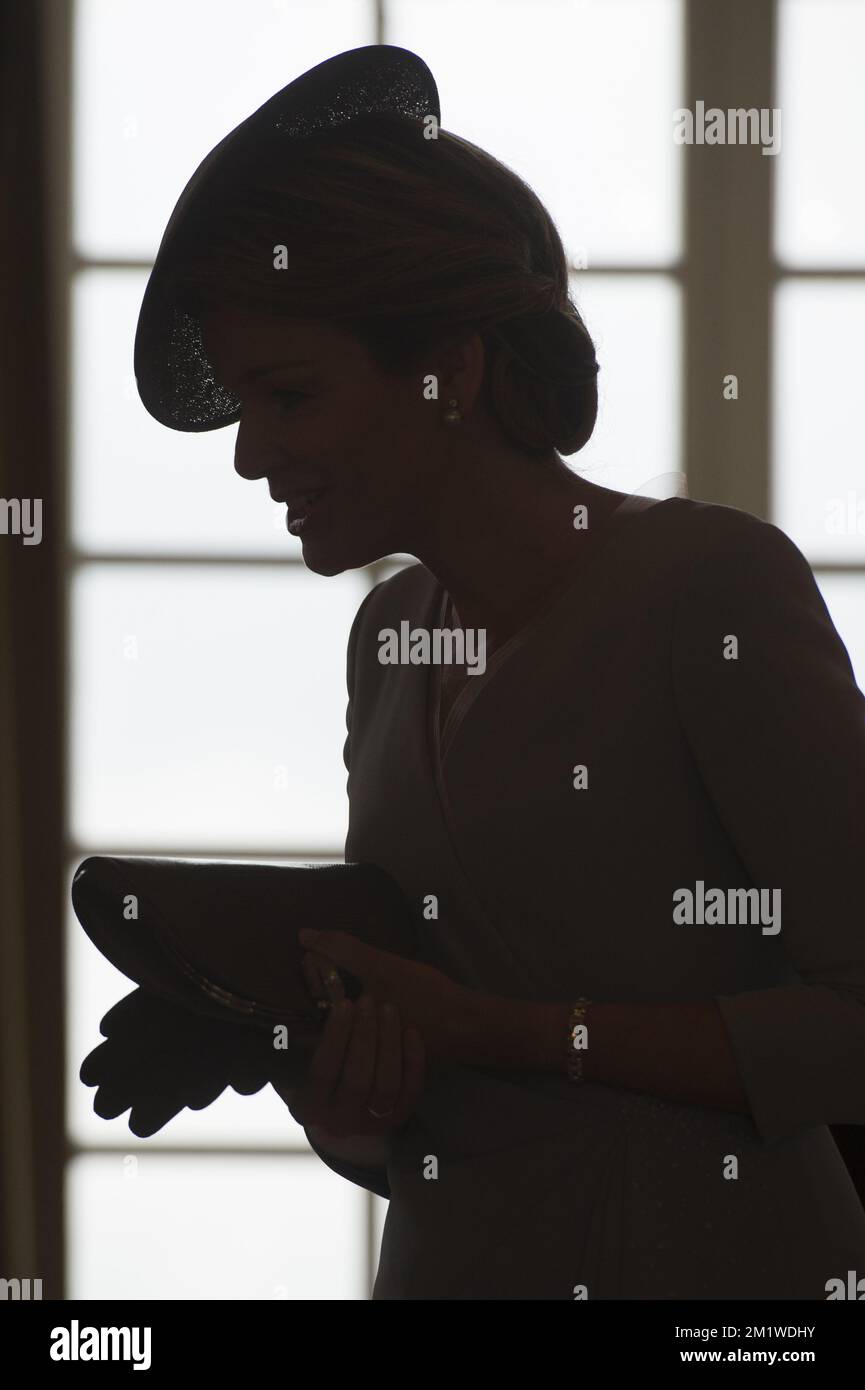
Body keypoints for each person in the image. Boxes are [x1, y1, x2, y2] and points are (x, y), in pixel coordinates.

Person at [138, 52, 865, 1300]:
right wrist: (327, 1072)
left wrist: (511, 1033)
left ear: (450, 373)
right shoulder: (387, 643)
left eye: (289, 394)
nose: (251, 454)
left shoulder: (711, 586)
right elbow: (432, 1120)